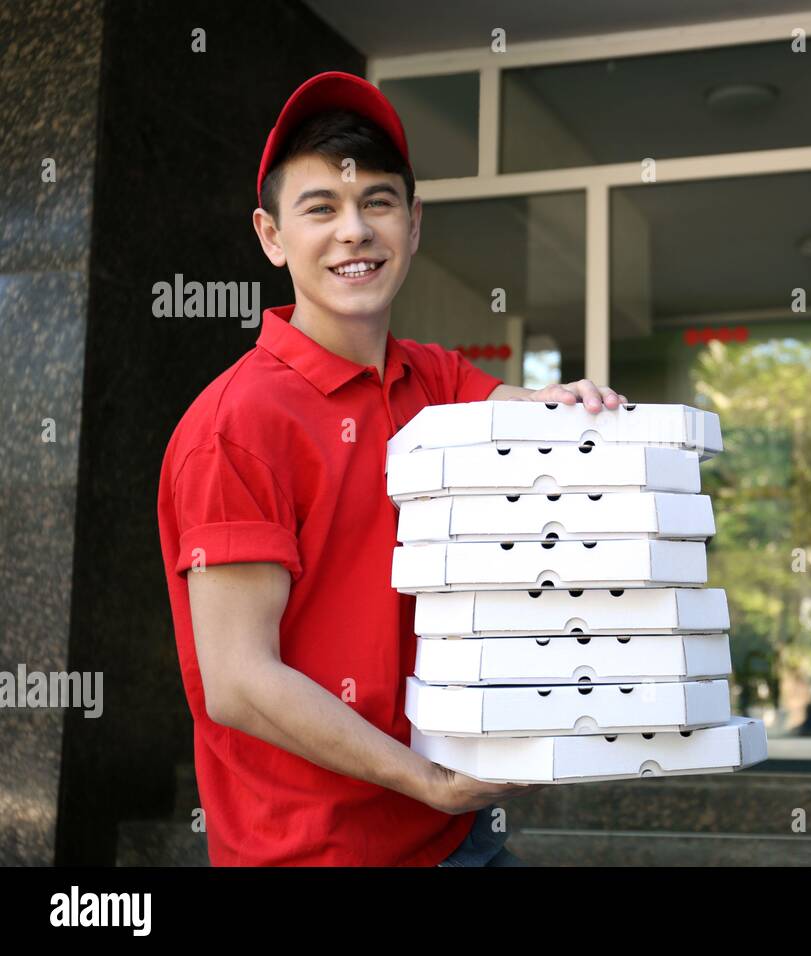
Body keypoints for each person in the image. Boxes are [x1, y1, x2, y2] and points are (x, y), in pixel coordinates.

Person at [156, 71, 628, 866]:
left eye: (377, 202)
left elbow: (521, 411)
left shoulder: (432, 380)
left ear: (414, 225)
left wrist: (573, 408)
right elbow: (238, 680)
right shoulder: (234, 427)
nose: (354, 231)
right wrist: (424, 778)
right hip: (312, 853)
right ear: (271, 236)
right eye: (321, 208)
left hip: (452, 835)